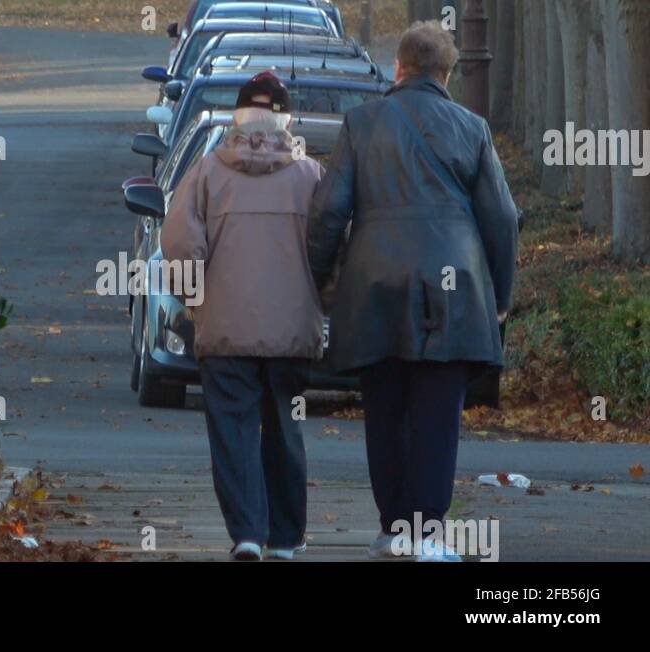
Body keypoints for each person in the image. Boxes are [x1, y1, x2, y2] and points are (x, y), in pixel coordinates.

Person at [306, 21, 519, 562]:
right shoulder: (472, 128)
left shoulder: (361, 122)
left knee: (383, 408)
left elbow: (330, 209)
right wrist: (498, 298)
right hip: (453, 288)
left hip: (376, 284)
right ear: (446, 75)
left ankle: (393, 527)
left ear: (397, 67)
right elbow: (501, 219)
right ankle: (427, 533)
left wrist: (319, 275)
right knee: (437, 414)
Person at [161, 71, 325, 561]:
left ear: (237, 114)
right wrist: (324, 300)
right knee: (284, 426)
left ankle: (248, 532)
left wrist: (194, 303)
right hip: (292, 330)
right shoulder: (311, 176)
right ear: (286, 117)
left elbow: (181, 242)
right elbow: (333, 245)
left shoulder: (208, 173)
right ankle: (287, 536)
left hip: (226, 328)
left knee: (232, 430)